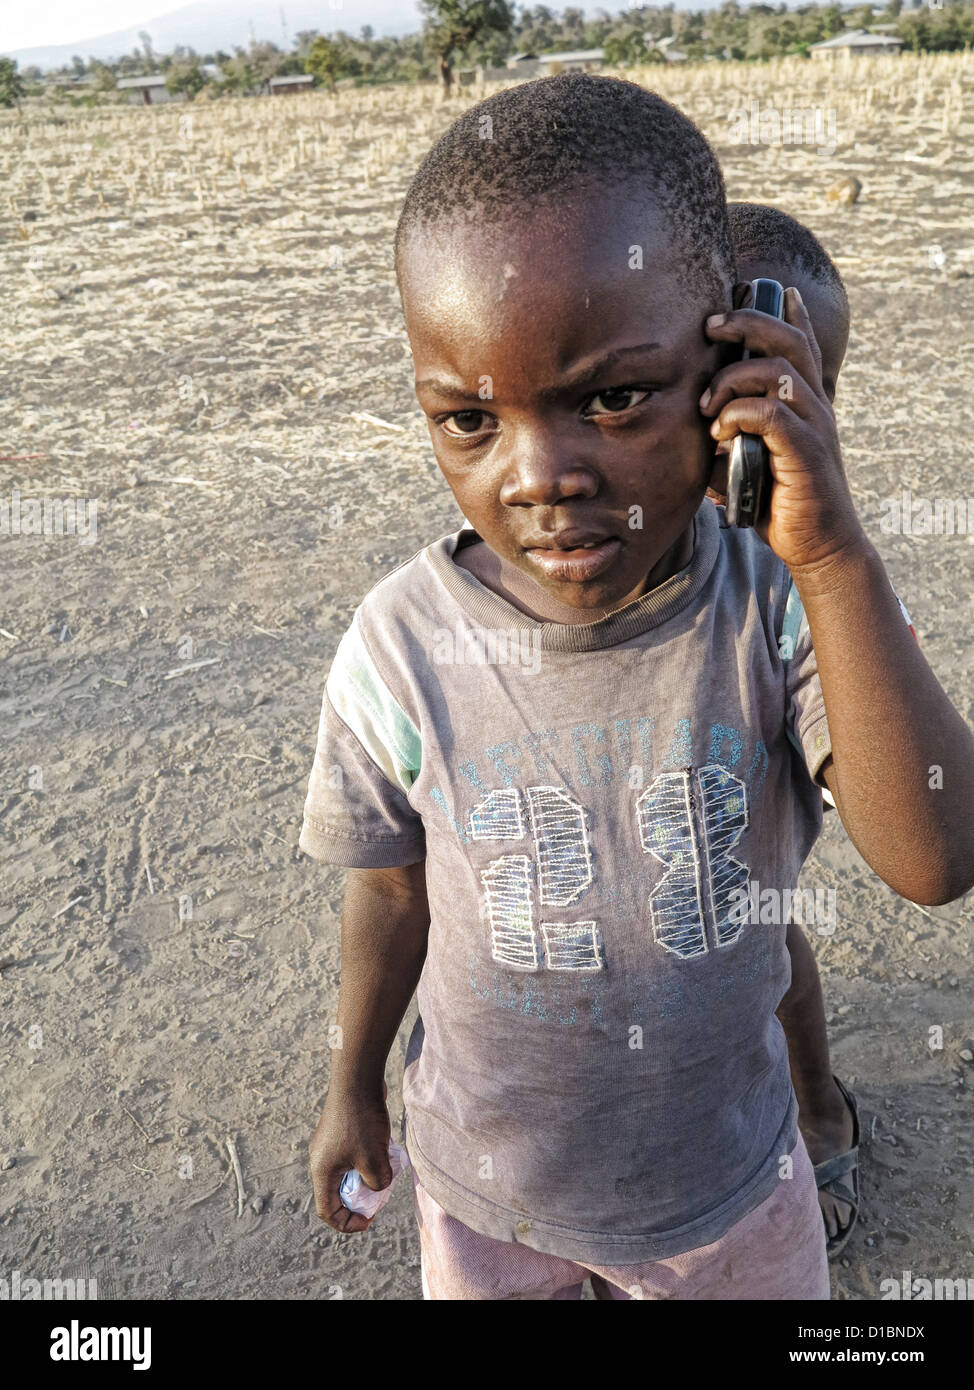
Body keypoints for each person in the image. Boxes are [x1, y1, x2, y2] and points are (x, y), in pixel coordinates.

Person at [300, 74, 974, 1300]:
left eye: (612, 397)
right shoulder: (399, 640)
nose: (539, 472)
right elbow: (391, 893)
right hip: (486, 1201)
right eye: (466, 419)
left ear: (734, 368)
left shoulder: (776, 608)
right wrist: (350, 1085)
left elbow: (935, 854)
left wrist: (826, 553)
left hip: (731, 1200)